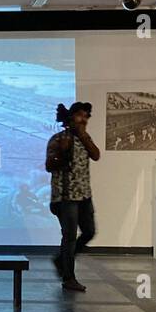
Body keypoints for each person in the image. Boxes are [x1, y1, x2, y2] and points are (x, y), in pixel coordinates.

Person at [45, 101, 100, 292]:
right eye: (80, 115)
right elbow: (49, 165)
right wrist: (62, 152)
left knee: (89, 231)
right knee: (69, 236)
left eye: (86, 116)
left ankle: (62, 260)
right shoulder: (58, 139)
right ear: (71, 118)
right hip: (65, 196)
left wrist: (83, 136)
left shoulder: (85, 138)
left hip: (84, 195)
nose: (83, 119)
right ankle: (69, 277)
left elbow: (96, 155)